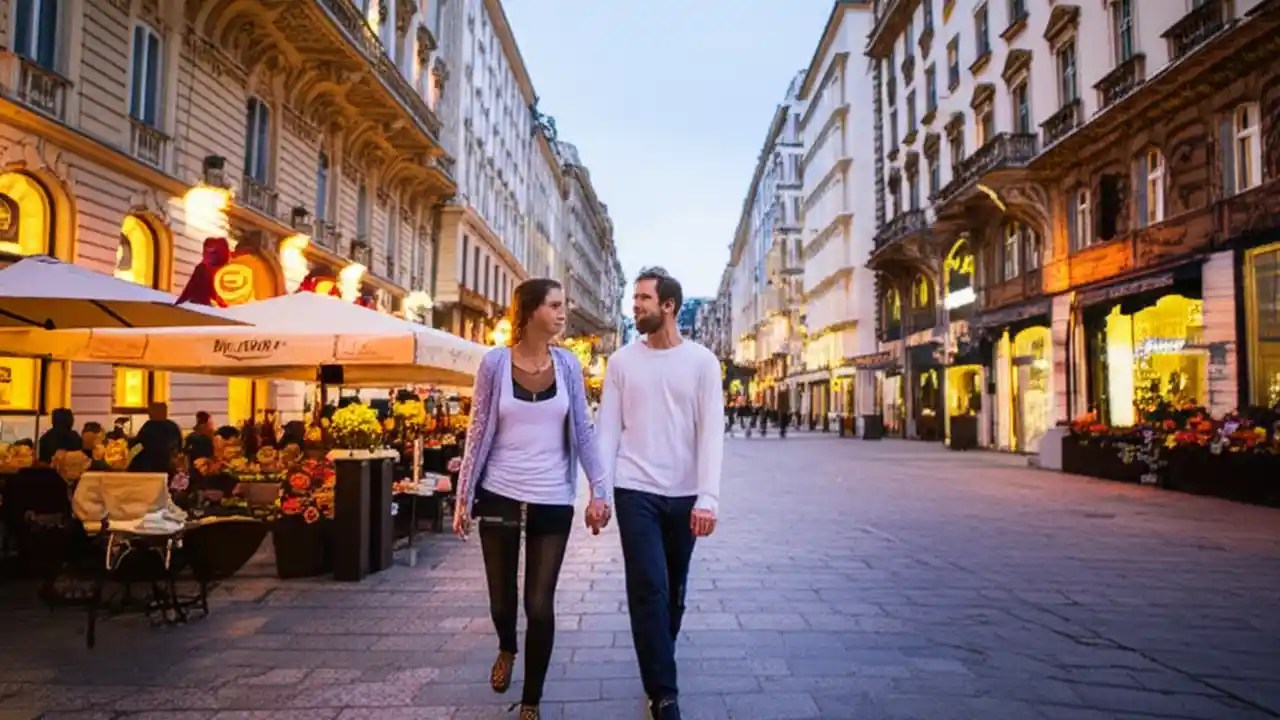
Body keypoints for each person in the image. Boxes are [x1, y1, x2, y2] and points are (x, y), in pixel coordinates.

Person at [451, 278, 611, 720]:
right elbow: (478, 431)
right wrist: (464, 495)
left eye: (563, 306)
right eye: (555, 305)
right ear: (531, 311)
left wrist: (600, 489)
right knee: (502, 602)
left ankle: (532, 699)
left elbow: (583, 429)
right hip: (499, 492)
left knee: (539, 605)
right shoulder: (494, 364)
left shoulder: (569, 366)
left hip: (551, 498)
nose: (563, 314)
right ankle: (507, 646)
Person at [596, 267, 724, 720]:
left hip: (686, 494)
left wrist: (708, 497)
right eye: (634, 299)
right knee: (648, 586)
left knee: (673, 592)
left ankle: (657, 658)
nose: (636, 306)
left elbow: (711, 434)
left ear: (668, 305)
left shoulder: (703, 363)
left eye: (644, 299)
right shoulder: (622, 362)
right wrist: (599, 492)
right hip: (636, 490)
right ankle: (664, 693)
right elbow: (606, 430)